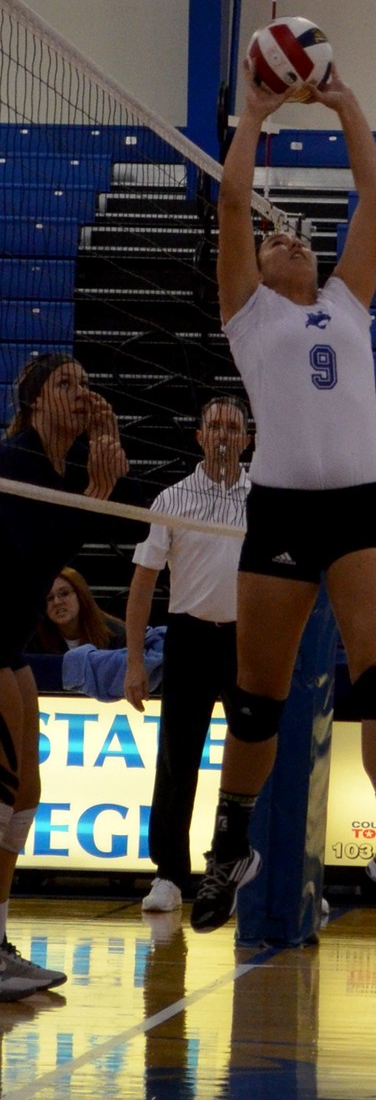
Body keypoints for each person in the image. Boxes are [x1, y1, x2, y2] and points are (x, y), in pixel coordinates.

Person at [192, 59, 376, 934]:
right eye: (273, 239)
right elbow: (230, 202)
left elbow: (374, 198)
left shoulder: (348, 306)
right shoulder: (250, 316)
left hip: (362, 504)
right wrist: (251, 113)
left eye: (299, 237)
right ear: (255, 264)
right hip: (286, 508)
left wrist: (344, 99)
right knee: (258, 697)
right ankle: (228, 853)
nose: (288, 240)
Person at [0, 351, 126, 998]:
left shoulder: (62, 463)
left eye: (85, 381)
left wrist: (102, 466)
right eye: (64, 384)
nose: (80, 392)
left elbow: (67, 537)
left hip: (10, 646)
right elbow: (39, 552)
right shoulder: (16, 461)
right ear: (32, 404)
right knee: (1, 794)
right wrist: (97, 496)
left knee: (25, 795)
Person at [124, 394, 252, 915]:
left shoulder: (264, 498)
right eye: (214, 426)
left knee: (258, 757)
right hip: (190, 639)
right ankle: (170, 876)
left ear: (245, 439)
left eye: (232, 428)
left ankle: (246, 867)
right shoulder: (172, 499)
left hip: (249, 640)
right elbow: (142, 585)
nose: (223, 435)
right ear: (200, 436)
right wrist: (135, 661)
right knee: (177, 760)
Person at [27, 567, 126, 653]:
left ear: (81, 596)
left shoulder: (117, 636)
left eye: (64, 594)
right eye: (49, 598)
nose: (57, 602)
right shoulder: (34, 639)